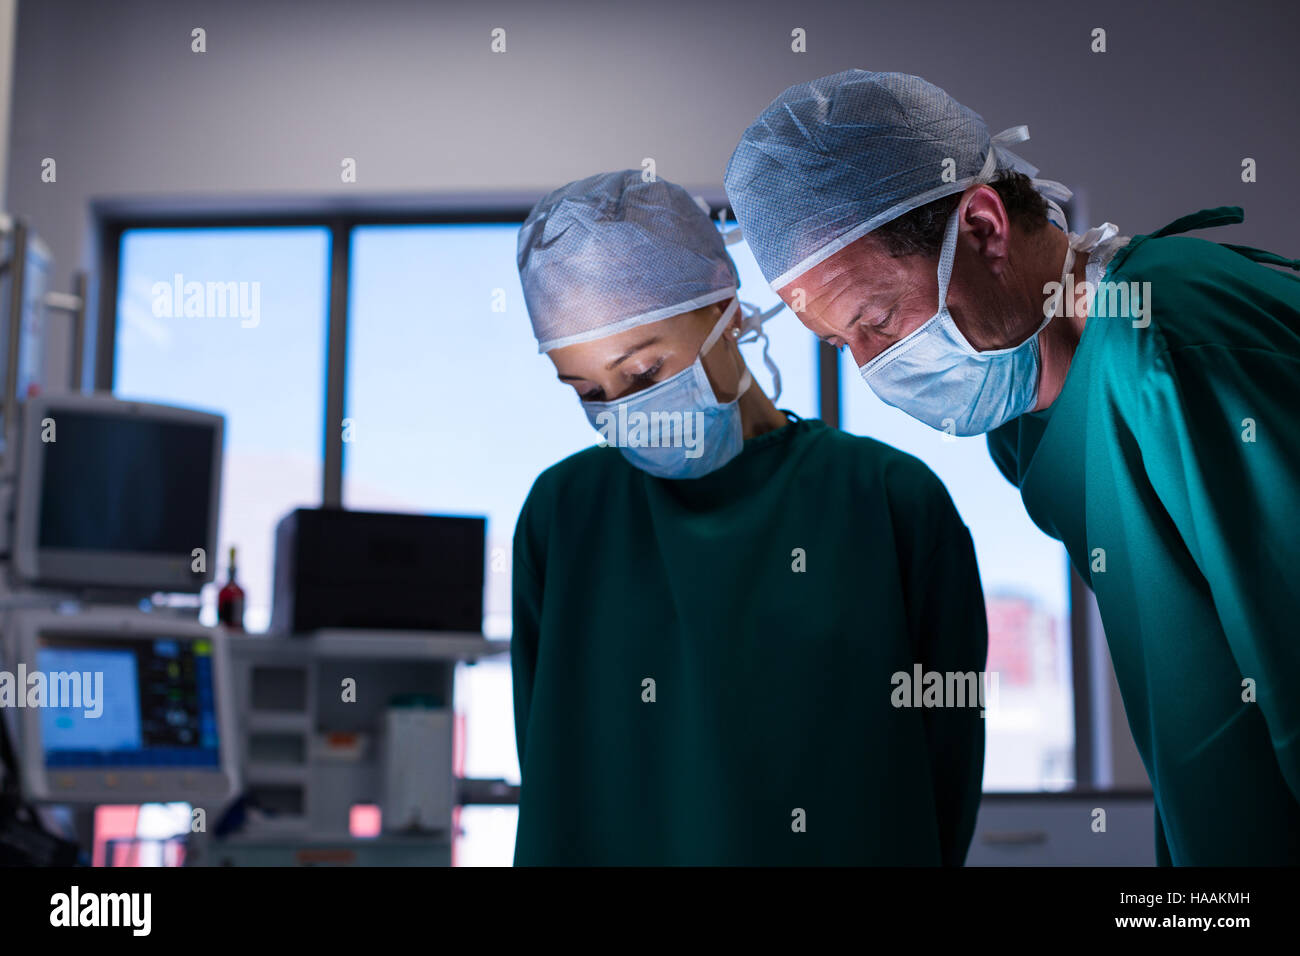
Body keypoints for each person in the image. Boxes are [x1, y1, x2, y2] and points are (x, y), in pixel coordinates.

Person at [725, 69, 1300, 865]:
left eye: (878, 322)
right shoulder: (1025, 424)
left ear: (987, 229)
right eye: (839, 345)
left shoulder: (1171, 349)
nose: (871, 369)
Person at [510, 169, 988, 865]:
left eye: (643, 374)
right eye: (588, 390)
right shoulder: (564, 515)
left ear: (728, 314)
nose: (620, 411)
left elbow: (948, 754)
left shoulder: (887, 500)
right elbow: (548, 758)